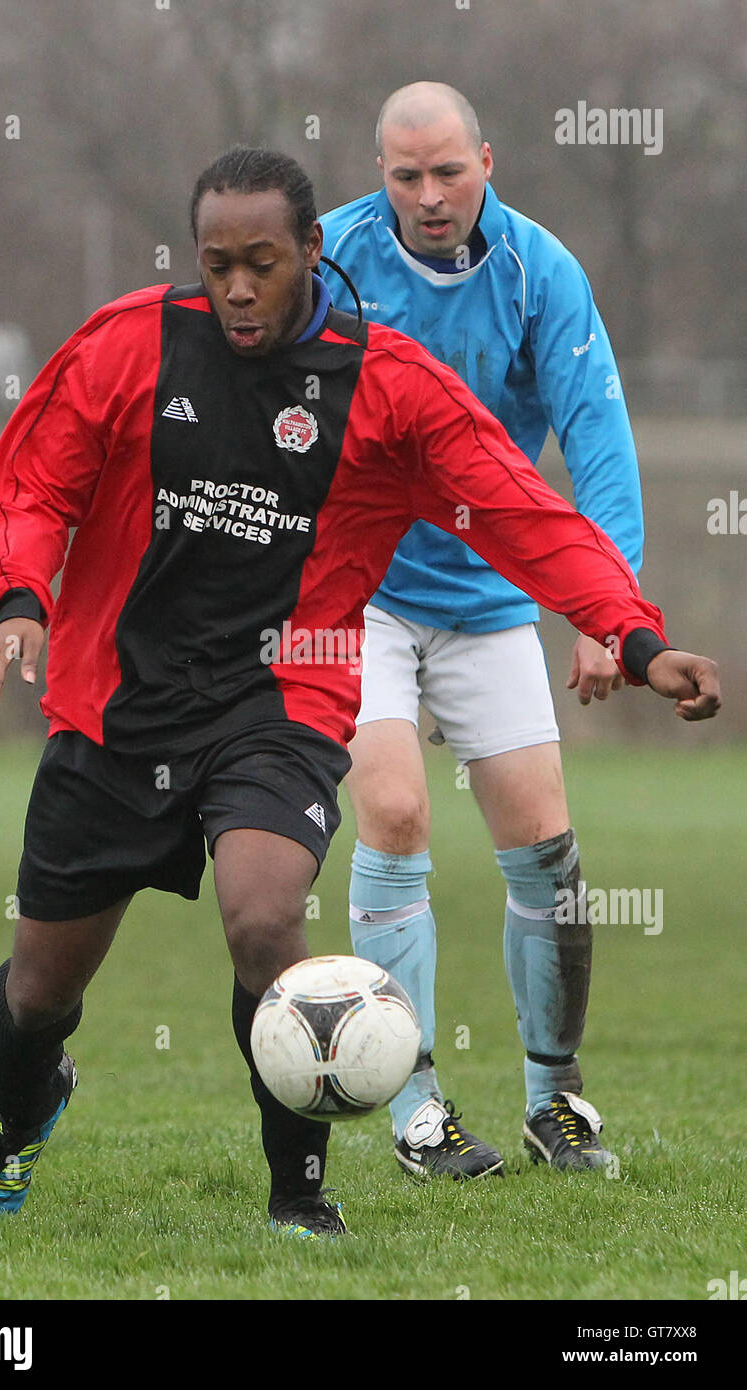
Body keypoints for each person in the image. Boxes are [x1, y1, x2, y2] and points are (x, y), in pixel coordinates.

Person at [0, 146, 719, 1241]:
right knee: (36, 997)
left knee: (267, 924)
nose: (235, 287)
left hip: (279, 700)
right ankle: (18, 1118)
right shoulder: (132, 344)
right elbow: (37, 480)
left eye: (261, 262)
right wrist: (21, 594)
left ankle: (298, 1193)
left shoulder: (387, 383)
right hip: (115, 709)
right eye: (215, 262)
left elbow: (517, 510)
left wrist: (632, 635)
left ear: (313, 251)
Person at [319, 82, 675, 1177]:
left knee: (545, 853)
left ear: (487, 159)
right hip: (358, 592)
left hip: (489, 595)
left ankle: (551, 1101)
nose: (427, 196)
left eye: (446, 172)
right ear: (379, 173)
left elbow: (597, 443)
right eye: (403, 176)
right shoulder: (328, 263)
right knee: (390, 809)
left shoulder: (540, 273)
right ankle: (414, 1103)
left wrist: (604, 614)